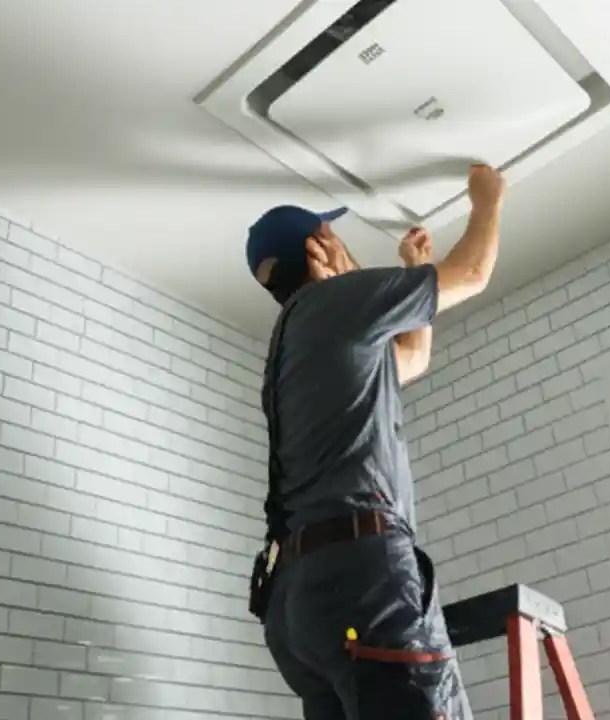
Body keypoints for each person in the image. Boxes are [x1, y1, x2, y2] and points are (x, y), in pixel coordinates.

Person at [245, 165, 507, 719]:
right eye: (337, 238)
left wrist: (413, 272)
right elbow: (472, 273)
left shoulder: (291, 348)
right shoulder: (336, 304)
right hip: (360, 577)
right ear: (321, 245)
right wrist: (488, 201)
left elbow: (409, 361)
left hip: (297, 609)